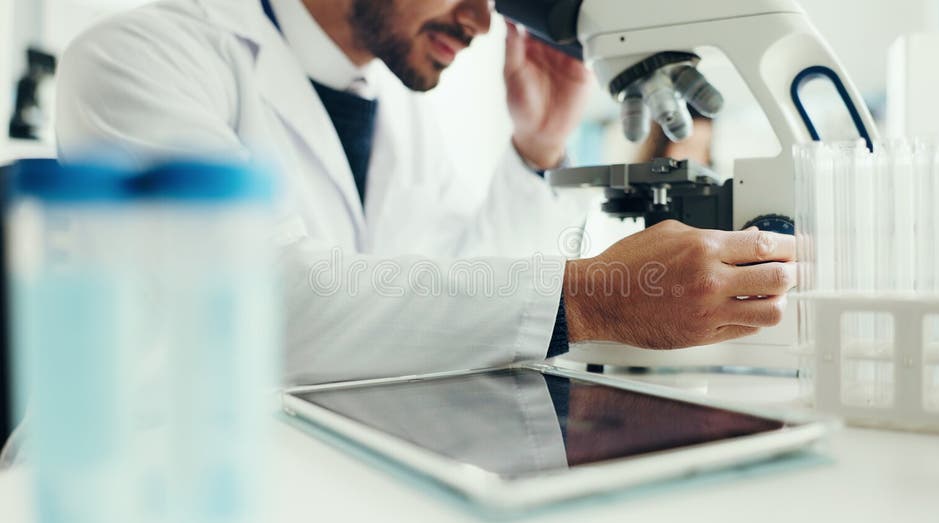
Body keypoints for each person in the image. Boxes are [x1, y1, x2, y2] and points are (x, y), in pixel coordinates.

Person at [54, 0, 796, 385]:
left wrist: (532, 149)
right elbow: (249, 307)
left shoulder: (405, 111)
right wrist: (595, 296)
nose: (481, 19)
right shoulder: (141, 58)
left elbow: (448, 296)